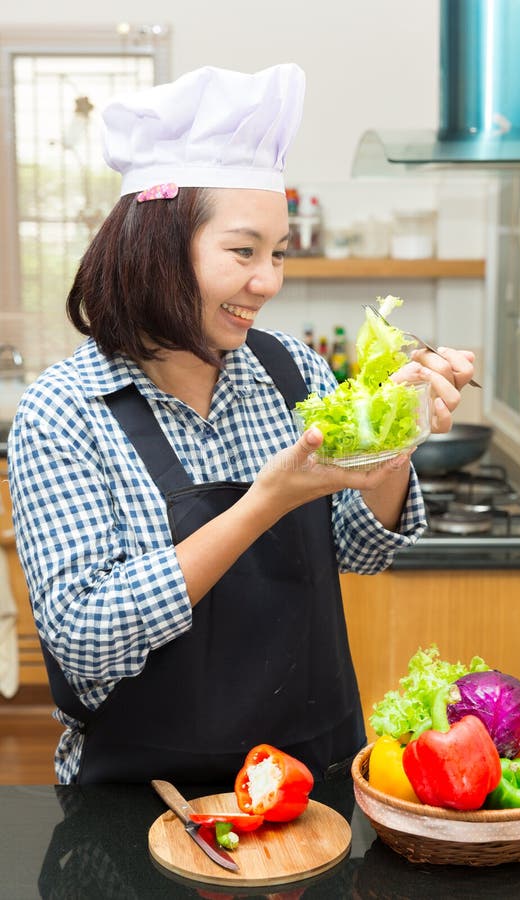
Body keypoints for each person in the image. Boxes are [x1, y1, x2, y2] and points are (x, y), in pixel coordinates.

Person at [8, 64, 475, 787]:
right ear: (158, 249)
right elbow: (86, 640)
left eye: (279, 253)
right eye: (243, 251)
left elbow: (362, 548)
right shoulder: (67, 412)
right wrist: (266, 502)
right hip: (145, 804)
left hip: (310, 785)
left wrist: (395, 442)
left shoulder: (292, 372)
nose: (269, 281)